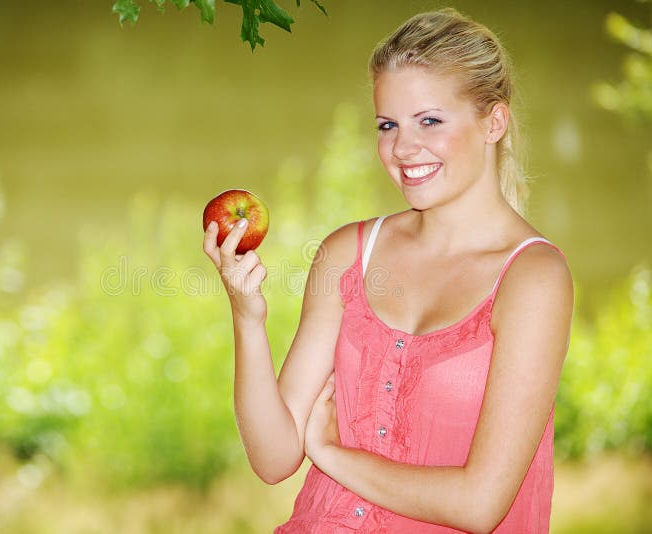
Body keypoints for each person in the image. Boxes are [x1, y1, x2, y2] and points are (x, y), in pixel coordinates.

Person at [202, 7, 573, 533]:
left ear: (493, 122)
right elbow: (274, 457)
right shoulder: (348, 253)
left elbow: (480, 505)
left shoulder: (532, 278)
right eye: (388, 125)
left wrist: (330, 453)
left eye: (430, 121)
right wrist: (246, 315)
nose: (403, 148)